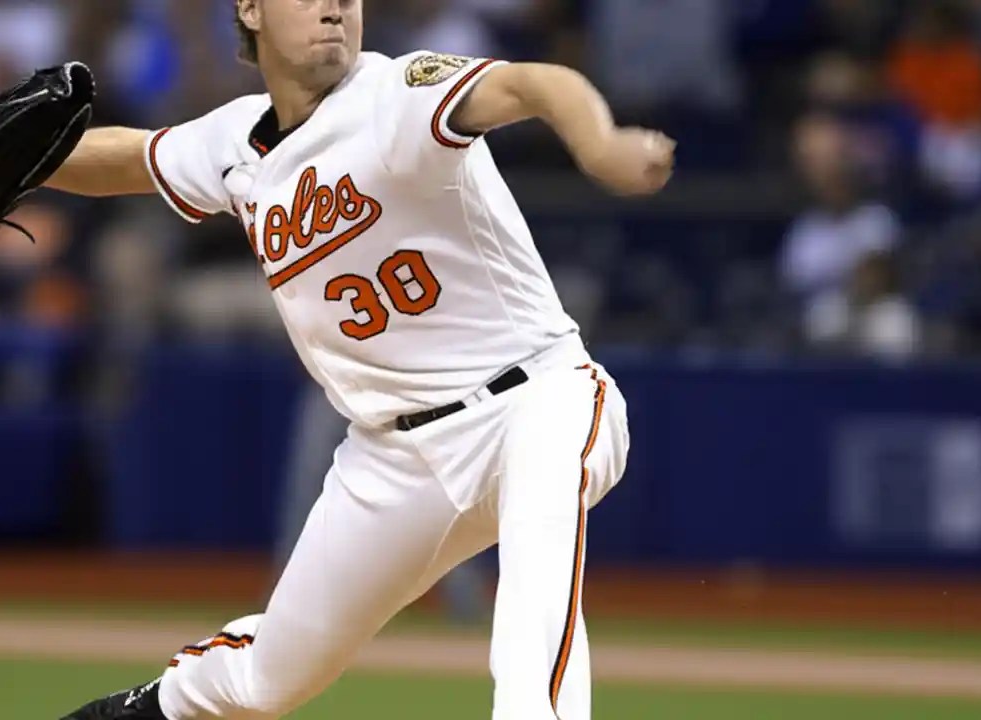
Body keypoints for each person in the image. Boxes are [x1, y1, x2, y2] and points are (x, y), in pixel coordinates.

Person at [47, 1, 672, 718]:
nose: (336, 8)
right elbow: (129, 158)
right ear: (250, 8)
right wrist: (15, 165)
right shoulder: (233, 140)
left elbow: (535, 84)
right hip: (392, 457)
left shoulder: (400, 92)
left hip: (535, 398)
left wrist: (598, 140)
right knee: (271, 679)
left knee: (536, 596)